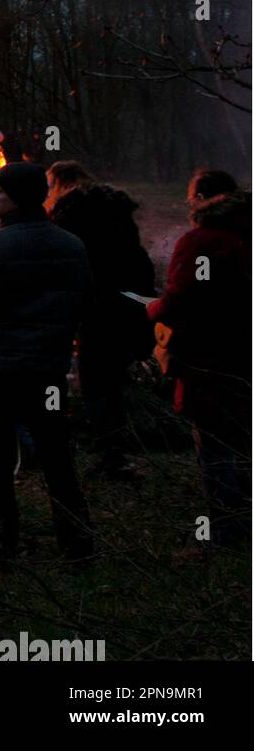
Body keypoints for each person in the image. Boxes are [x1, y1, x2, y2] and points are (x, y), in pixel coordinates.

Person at [0, 160, 95, 564]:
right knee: (57, 458)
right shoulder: (72, 246)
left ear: (18, 198)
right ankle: (77, 544)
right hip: (46, 372)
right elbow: (85, 303)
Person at [149, 170, 250, 549]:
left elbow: (182, 298)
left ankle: (225, 531)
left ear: (202, 198)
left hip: (211, 359)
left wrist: (152, 311)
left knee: (215, 443)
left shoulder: (202, 241)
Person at [47, 171, 155, 477]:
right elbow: (142, 274)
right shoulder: (121, 229)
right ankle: (113, 446)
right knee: (109, 380)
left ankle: (110, 451)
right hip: (124, 312)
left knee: (97, 381)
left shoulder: (77, 229)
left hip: (100, 317)